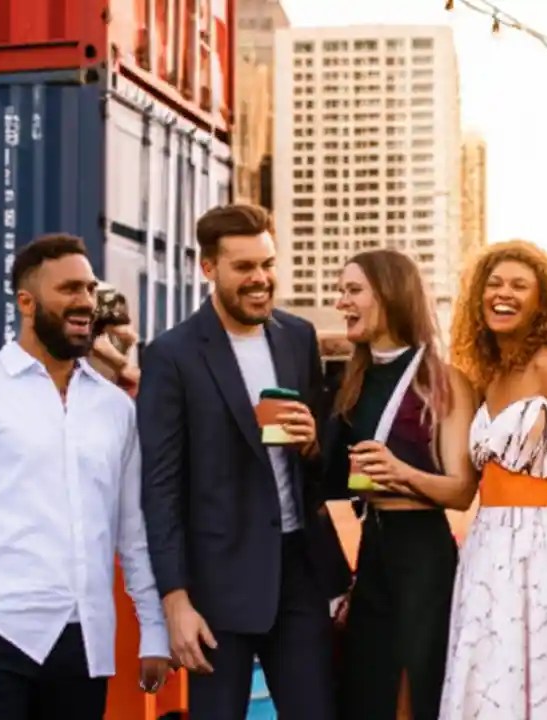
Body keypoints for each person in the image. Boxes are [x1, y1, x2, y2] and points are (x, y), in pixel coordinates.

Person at [0, 234, 170, 720]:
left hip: (85, 645)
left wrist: (153, 628)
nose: (85, 303)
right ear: (26, 303)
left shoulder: (115, 407)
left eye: (90, 290)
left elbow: (132, 529)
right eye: (70, 289)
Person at [137, 204, 351, 719]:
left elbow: (320, 468)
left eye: (268, 264)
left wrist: (312, 446)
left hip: (299, 570)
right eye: (244, 268)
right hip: (216, 585)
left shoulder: (298, 338)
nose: (260, 280)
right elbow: (160, 488)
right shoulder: (172, 355)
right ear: (208, 268)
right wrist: (175, 599)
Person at [440, 240, 547, 719]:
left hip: (543, 552)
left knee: (546, 689)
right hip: (485, 549)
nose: (503, 293)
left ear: (542, 301)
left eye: (519, 285)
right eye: (493, 284)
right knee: (485, 688)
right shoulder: (487, 377)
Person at [322, 249, 479, 719]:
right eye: (340, 290)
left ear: (389, 294)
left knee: (416, 689)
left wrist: (402, 474)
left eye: (353, 291)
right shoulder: (352, 378)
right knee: (365, 688)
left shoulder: (446, 381)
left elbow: (462, 490)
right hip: (372, 551)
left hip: (423, 554)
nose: (341, 302)